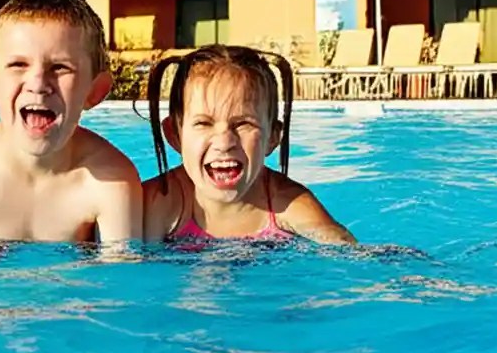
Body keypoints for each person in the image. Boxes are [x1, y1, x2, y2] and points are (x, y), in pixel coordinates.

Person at [0, 0, 143, 244]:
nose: (39, 83)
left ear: (95, 91)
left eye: (60, 67)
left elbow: (121, 279)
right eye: (19, 65)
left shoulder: (111, 180)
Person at [139, 44, 356, 245]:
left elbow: (350, 257)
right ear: (175, 135)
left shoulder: (286, 203)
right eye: (203, 123)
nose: (224, 143)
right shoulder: (160, 203)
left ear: (272, 137)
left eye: (243, 123)